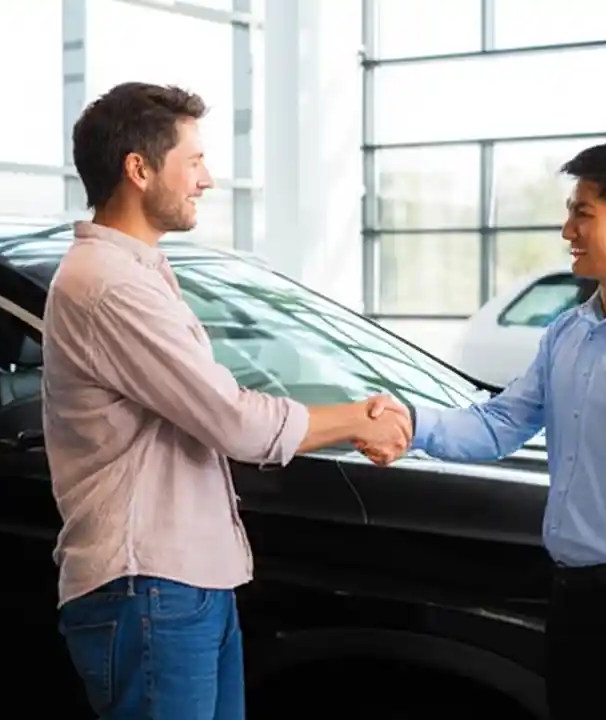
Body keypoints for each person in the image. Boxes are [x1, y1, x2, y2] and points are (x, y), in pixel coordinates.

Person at [42, 81, 410, 720]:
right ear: (138, 168)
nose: (206, 180)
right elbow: (232, 420)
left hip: (186, 582)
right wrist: (358, 418)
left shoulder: (141, 273)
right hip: (148, 587)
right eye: (194, 161)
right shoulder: (108, 285)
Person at [367, 139, 606, 720]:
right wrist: (413, 424)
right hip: (570, 599)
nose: (567, 230)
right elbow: (501, 422)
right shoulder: (569, 331)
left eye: (583, 213)